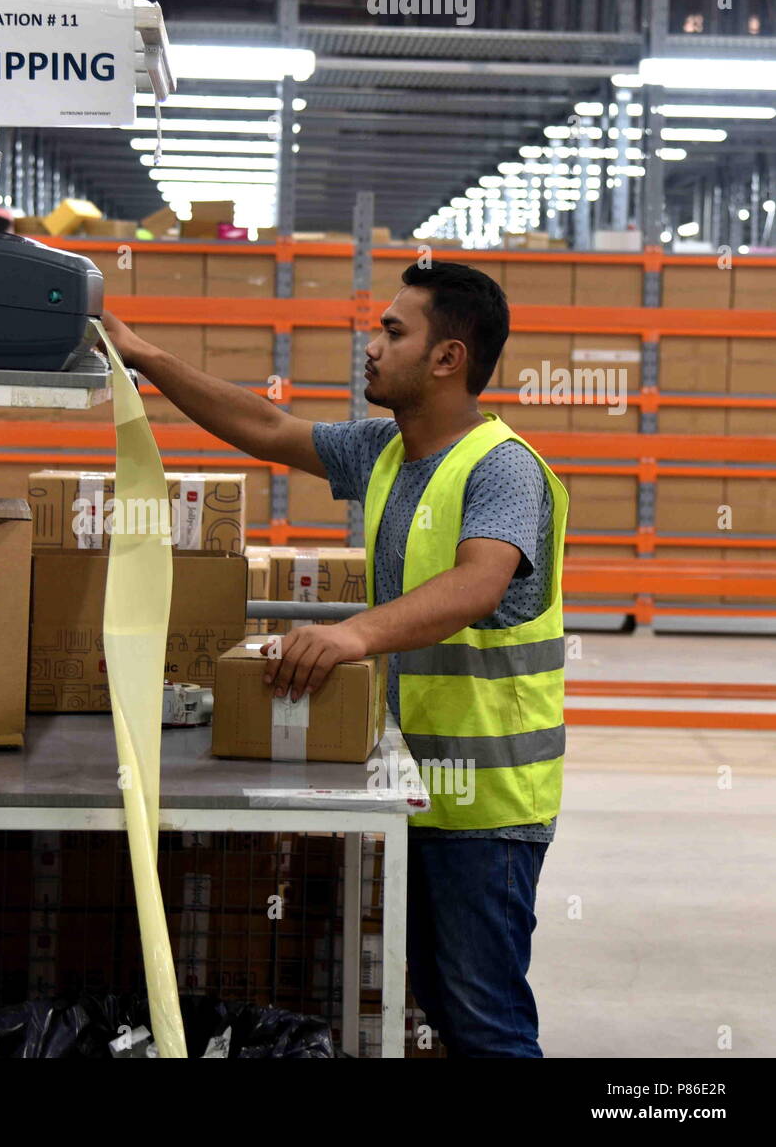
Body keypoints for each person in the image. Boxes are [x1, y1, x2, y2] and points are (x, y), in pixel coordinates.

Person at [101, 260, 568, 1057]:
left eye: (393, 330)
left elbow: (478, 583)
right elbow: (265, 426)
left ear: (448, 357)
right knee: (451, 1012)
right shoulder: (388, 450)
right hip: (418, 789)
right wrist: (144, 355)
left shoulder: (502, 466)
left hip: (487, 807)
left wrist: (352, 634)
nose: (373, 344)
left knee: (483, 1021)